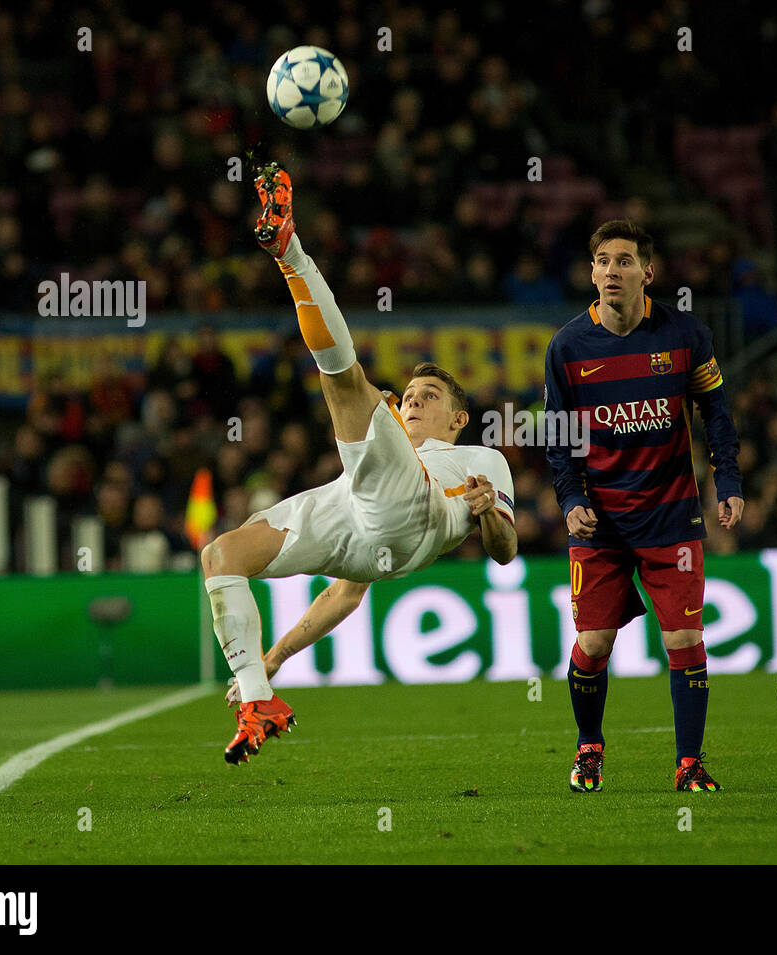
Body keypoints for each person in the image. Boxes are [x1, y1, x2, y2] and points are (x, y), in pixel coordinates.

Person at [203, 163, 517, 764]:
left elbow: (505, 550)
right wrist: (275, 658)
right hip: (362, 518)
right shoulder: (382, 457)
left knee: (346, 384)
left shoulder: (481, 459)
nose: (416, 400)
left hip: (421, 506)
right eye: (412, 395)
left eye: (432, 397)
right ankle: (256, 697)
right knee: (223, 554)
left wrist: (489, 516)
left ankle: (288, 249)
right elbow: (345, 597)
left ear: (458, 419)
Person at [544, 219, 743, 794]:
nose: (612, 270)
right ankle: (588, 750)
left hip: (671, 514)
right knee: (592, 645)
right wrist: (570, 494)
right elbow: (558, 432)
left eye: (624, 261)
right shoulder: (568, 346)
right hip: (600, 522)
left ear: (647, 273)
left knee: (684, 640)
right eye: (602, 260)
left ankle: (689, 763)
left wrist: (726, 478)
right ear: (591, 273)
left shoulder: (684, 334)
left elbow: (717, 412)